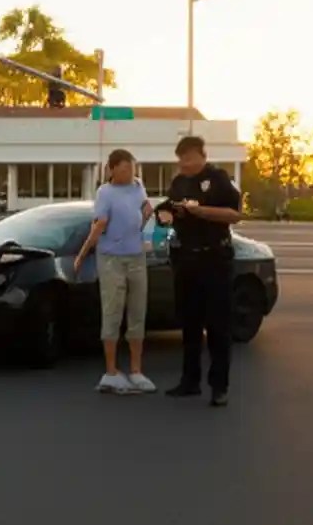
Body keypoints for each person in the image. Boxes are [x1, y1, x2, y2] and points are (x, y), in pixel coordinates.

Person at [154, 136, 243, 405]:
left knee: (217, 326)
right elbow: (166, 210)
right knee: (189, 325)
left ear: (202, 156)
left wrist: (201, 211)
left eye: (189, 158)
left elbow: (234, 214)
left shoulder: (218, 178)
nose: (185, 164)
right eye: (181, 159)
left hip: (214, 260)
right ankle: (189, 381)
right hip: (186, 261)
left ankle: (219, 387)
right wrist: (165, 216)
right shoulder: (179, 182)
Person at [75, 149, 156, 394]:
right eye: (123, 169)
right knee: (112, 312)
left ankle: (136, 370)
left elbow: (146, 210)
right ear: (111, 170)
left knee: (137, 311)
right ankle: (111, 371)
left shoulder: (138, 186)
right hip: (111, 259)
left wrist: (148, 223)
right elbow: (99, 224)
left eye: (131, 168)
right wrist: (81, 254)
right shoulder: (105, 193)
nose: (129, 173)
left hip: (137, 257)